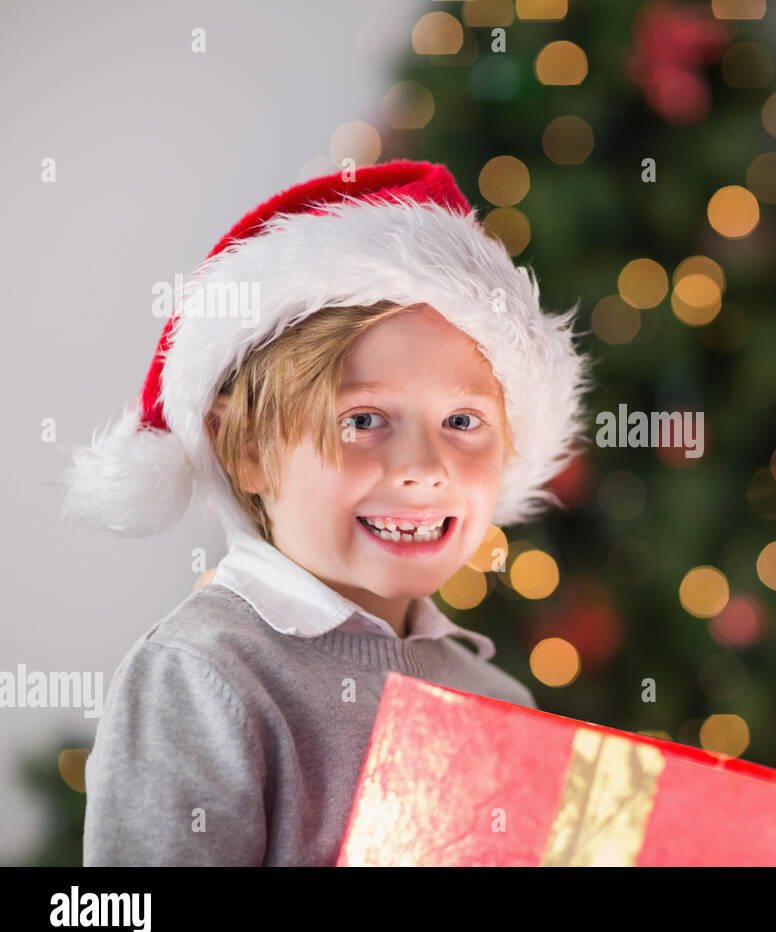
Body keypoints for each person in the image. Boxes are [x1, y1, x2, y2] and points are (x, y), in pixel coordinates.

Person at [56, 160, 595, 865]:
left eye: (463, 421)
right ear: (243, 448)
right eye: (364, 418)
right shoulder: (201, 674)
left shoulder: (497, 698)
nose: (425, 468)